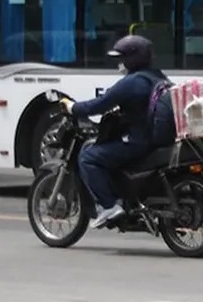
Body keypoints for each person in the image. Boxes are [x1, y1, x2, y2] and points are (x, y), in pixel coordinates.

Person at [65, 34, 170, 228]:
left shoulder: (133, 82)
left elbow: (99, 105)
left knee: (88, 156)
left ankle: (109, 206)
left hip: (137, 141)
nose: (119, 64)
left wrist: (73, 107)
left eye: (122, 58)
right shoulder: (157, 76)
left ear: (133, 58)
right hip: (154, 139)